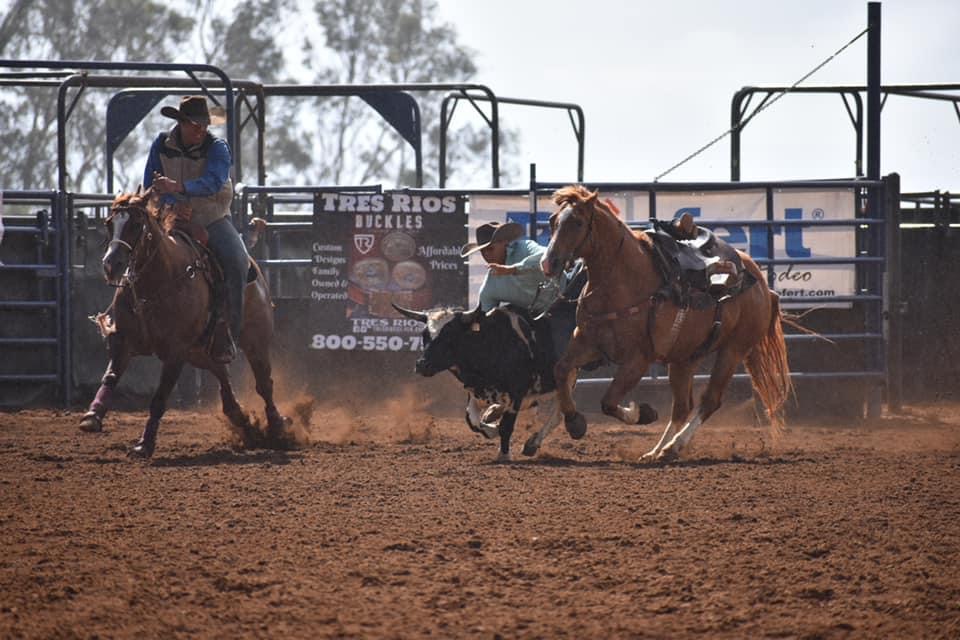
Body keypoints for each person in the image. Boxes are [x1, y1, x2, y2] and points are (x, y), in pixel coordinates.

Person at [143, 95, 248, 363]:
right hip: (173, 219)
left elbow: (213, 183)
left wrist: (179, 189)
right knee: (139, 255)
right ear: (182, 124)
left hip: (212, 218)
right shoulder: (161, 145)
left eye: (204, 125)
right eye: (195, 125)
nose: (201, 131)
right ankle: (129, 319)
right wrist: (171, 205)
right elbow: (150, 184)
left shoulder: (217, 148)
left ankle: (229, 337)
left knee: (237, 263)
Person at [460, 221, 581, 359]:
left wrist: (512, 269)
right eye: (483, 251)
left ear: (505, 243)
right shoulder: (491, 285)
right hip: (542, 321)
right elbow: (483, 318)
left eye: (490, 249)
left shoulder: (526, 247)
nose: (487, 255)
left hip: (569, 295)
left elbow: (547, 258)